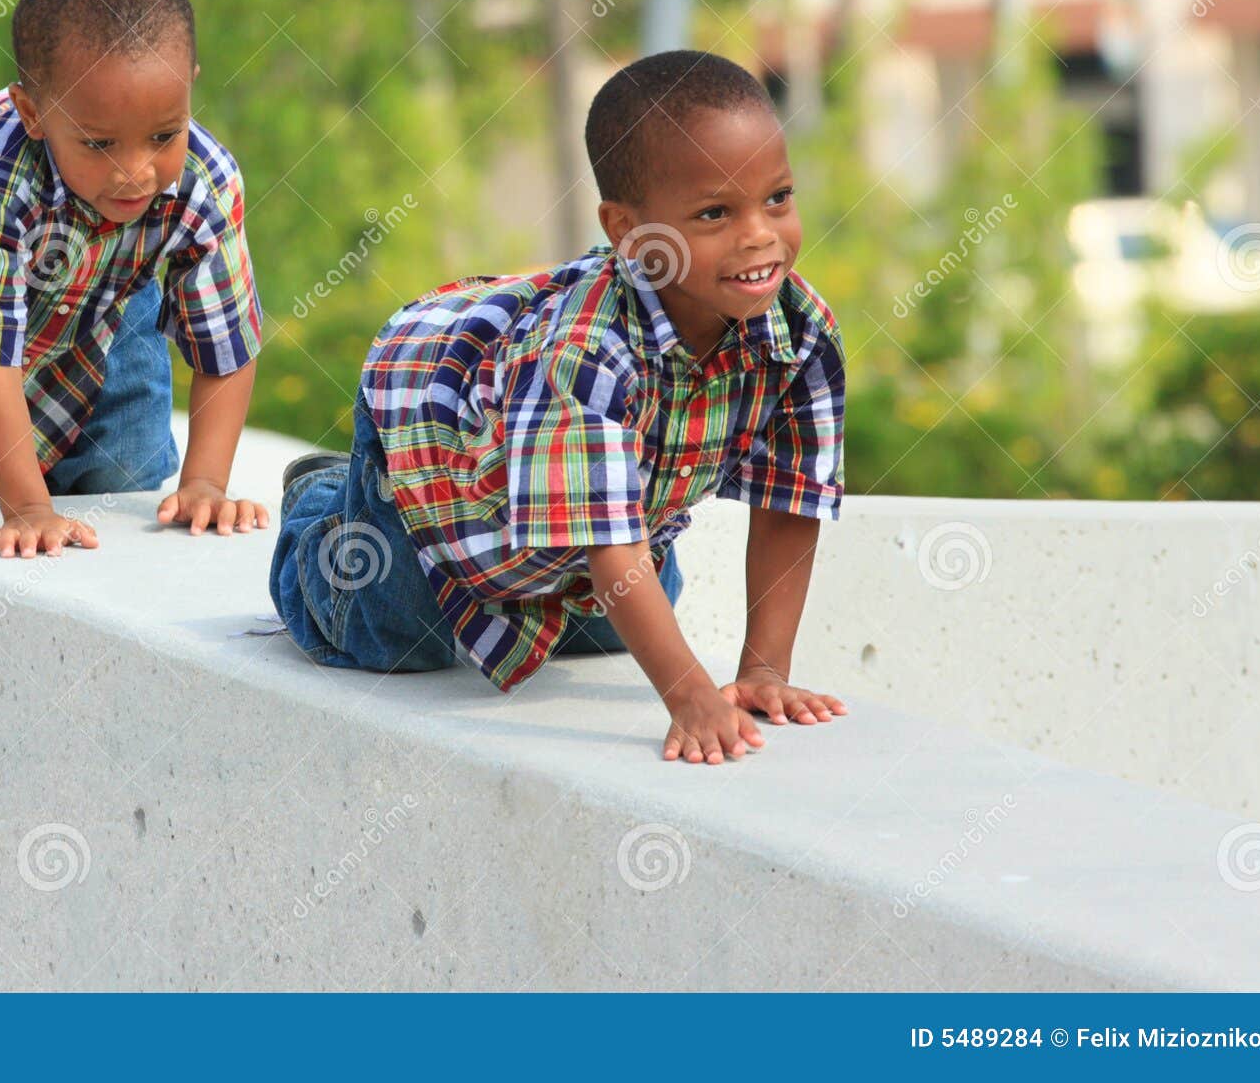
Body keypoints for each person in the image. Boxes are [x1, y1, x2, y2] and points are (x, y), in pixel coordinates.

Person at [269, 49, 848, 764]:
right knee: (388, 633)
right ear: (629, 230)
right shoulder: (586, 351)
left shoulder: (800, 330)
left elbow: (790, 500)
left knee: (612, 629)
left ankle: (548, 576)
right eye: (714, 212)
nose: (760, 234)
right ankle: (324, 503)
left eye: (778, 198)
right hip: (442, 464)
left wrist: (763, 669)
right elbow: (612, 551)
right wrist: (690, 694)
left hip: (592, 527)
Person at [0, 0, 267, 557]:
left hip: (104, 286)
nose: (135, 172)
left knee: (124, 469)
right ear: (33, 114)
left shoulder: (206, 181)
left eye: (163, 136)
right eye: (99, 144)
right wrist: (27, 511)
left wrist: (206, 483)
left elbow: (225, 339)